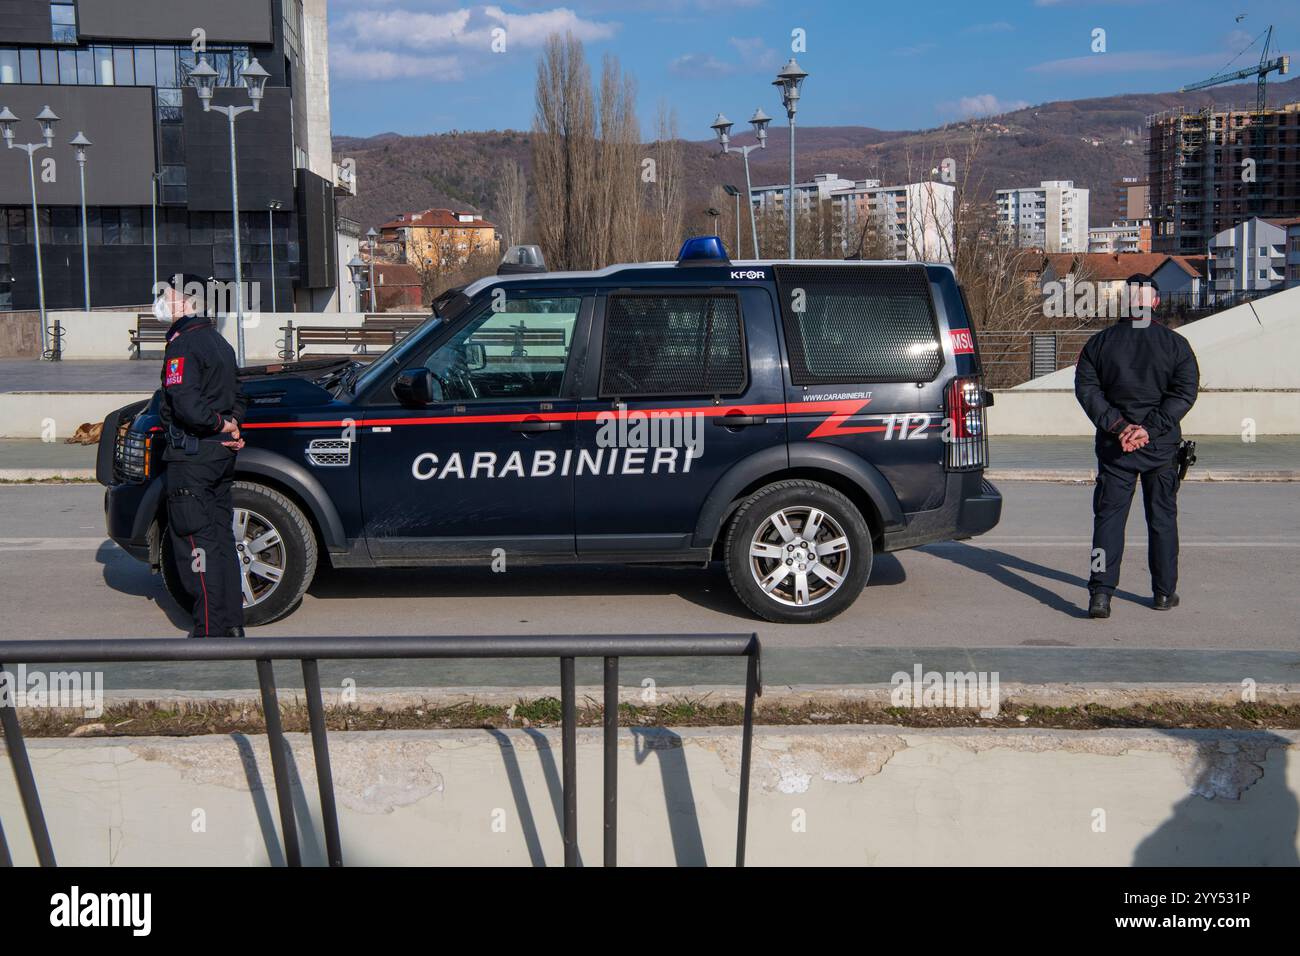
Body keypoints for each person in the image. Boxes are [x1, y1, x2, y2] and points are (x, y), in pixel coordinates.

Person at [1074, 275, 1199, 619]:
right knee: (1162, 520)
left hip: (1116, 450)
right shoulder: (1177, 345)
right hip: (1160, 448)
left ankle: (1100, 595)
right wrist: (1149, 429)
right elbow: (1184, 394)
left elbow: (1087, 392)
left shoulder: (1099, 344)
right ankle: (1163, 592)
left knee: (1108, 520)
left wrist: (1120, 427)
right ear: (1156, 303)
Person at [156, 274, 247, 637]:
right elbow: (239, 396)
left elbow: (188, 407)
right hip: (218, 458)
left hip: (192, 460)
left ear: (185, 300)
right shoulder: (218, 341)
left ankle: (209, 632)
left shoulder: (184, 345)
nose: (161, 301)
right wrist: (233, 425)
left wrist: (220, 426)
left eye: (166, 294)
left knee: (196, 544)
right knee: (221, 541)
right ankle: (233, 624)